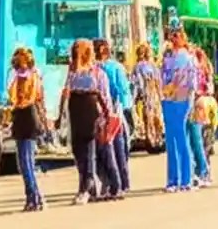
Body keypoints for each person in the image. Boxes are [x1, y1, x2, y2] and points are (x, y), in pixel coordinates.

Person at [60, 39, 118, 204]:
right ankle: (90, 186)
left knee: (89, 152)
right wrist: (60, 115)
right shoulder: (72, 71)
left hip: (91, 115)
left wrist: (107, 117)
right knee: (78, 152)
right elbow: (66, 92)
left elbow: (105, 97)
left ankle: (86, 187)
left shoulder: (97, 73)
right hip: (76, 113)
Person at [7, 47, 46, 212]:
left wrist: (15, 104)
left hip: (26, 116)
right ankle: (34, 197)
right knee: (26, 161)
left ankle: (34, 197)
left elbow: (21, 98)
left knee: (25, 162)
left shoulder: (26, 76)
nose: (15, 64)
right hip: (26, 116)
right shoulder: (33, 75)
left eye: (18, 61)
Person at [160, 30, 198, 193]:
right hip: (168, 100)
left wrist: (190, 99)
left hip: (182, 100)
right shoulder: (167, 58)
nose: (173, 39)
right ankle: (172, 179)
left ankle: (186, 178)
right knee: (170, 139)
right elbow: (162, 77)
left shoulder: (189, 58)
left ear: (183, 38)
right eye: (172, 35)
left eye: (177, 35)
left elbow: (193, 83)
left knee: (181, 136)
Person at [94, 39, 131, 194]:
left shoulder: (95, 69)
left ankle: (108, 182)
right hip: (116, 110)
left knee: (104, 149)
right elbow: (123, 90)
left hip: (101, 113)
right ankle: (123, 182)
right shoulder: (116, 67)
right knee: (119, 146)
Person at [187, 47, 214, 187]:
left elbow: (200, 90)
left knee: (196, 141)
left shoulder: (199, 72)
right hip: (201, 108)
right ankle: (200, 171)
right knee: (197, 141)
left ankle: (202, 171)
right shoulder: (204, 71)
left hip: (197, 107)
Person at [130, 43, 164, 151]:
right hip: (153, 93)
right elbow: (158, 82)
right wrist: (160, 95)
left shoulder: (137, 67)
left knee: (148, 118)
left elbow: (136, 84)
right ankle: (158, 140)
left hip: (145, 94)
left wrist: (135, 98)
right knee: (156, 117)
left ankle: (151, 141)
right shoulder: (153, 66)